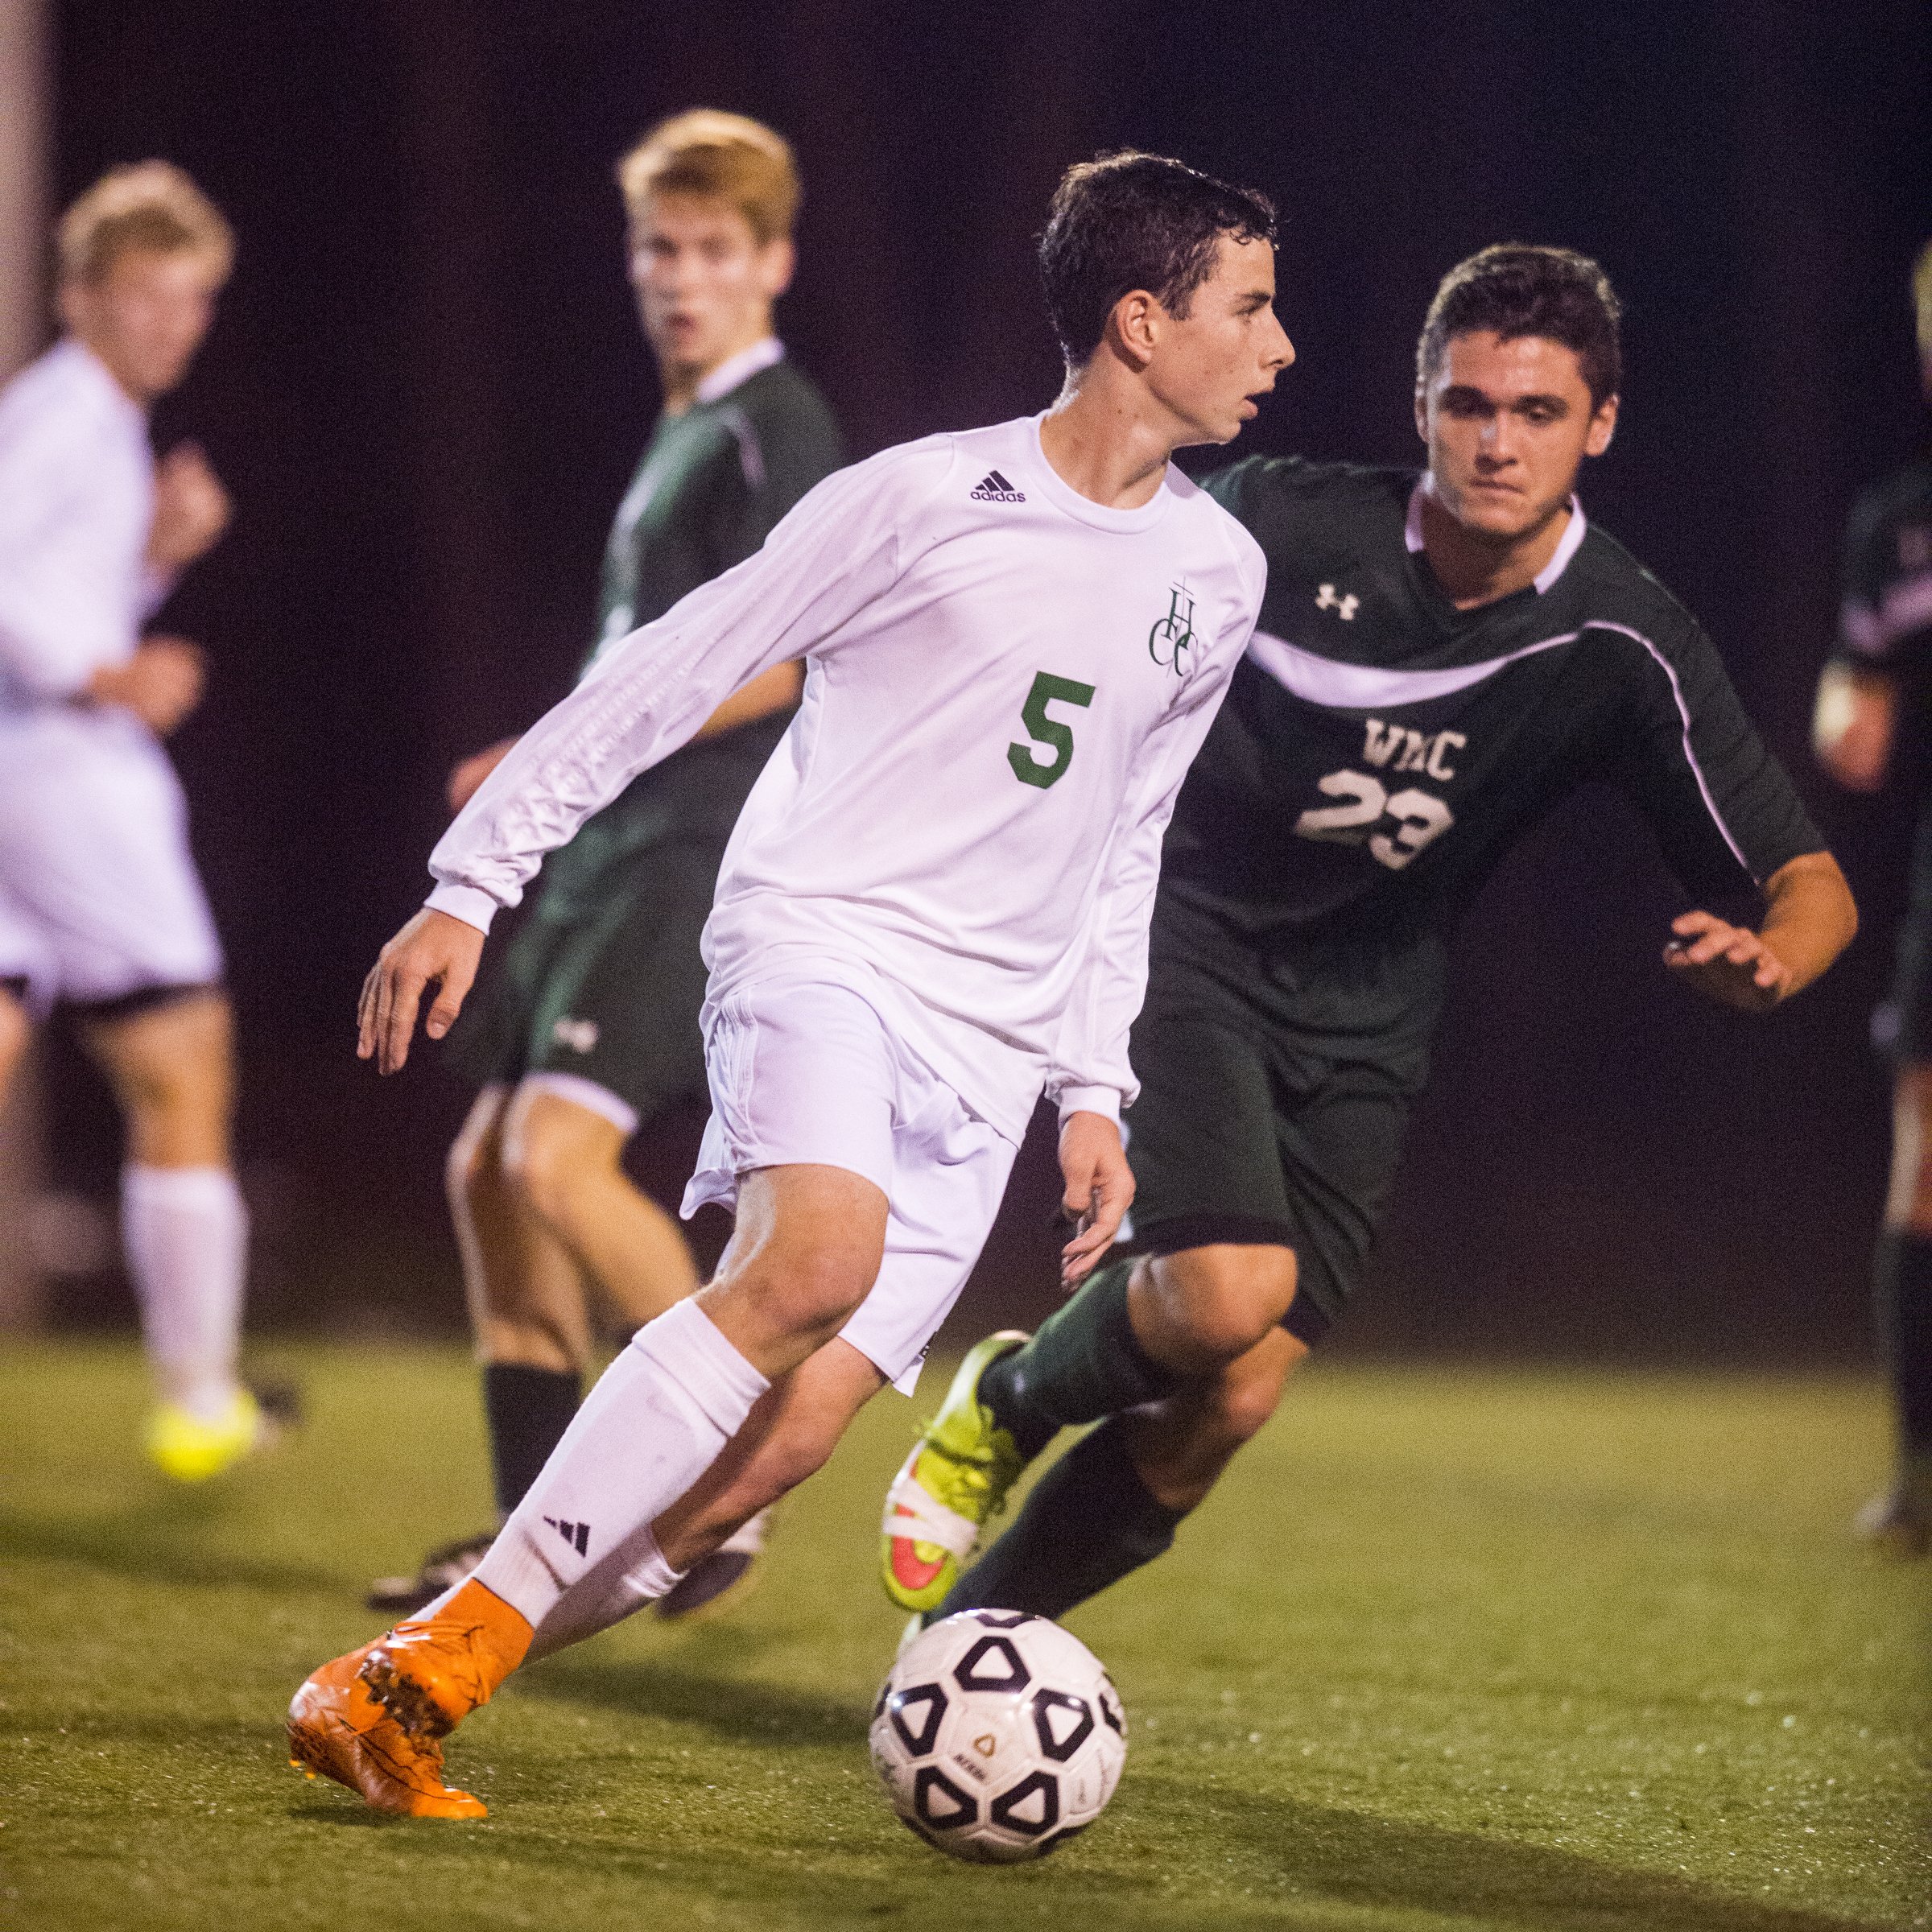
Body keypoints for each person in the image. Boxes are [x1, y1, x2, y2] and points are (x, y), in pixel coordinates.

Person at [287, 150, 1290, 1820]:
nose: (1278, 344)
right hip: (820, 938)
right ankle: (416, 1677)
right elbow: (666, 671)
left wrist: (1093, 1087)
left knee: (776, 1454)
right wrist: (474, 883)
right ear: (1142, 320)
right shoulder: (913, 498)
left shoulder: (1217, 574)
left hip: (991, 1048)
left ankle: (426, 1678)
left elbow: (1127, 841)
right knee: (809, 1257)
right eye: (1250, 306)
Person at [882, 243, 1858, 1629]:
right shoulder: (1279, 527)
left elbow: (1811, 884)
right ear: (1421, 408)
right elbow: (1077, 585)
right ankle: (1016, 1394)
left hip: (1368, 1019)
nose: (1498, 443)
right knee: (1226, 1294)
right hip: (1184, 944)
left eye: (1537, 414)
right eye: (1469, 405)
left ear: (1602, 425)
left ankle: (964, 1646)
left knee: (1235, 1398)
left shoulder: (1620, 640)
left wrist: (1775, 968)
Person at [365, 110, 844, 1622]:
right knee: (486, 1172)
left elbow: (784, 653)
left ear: (774, 262)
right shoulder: (685, 422)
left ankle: (738, 1472)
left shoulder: (781, 424)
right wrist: (545, 759)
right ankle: (526, 1529)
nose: (683, 278)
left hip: (691, 848)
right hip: (608, 842)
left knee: (553, 1163)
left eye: (715, 250)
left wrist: (597, 744)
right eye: (661, 248)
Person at [0, 162, 276, 1482]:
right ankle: (198, 1393)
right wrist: (101, 670)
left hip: (28, 764)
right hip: (58, 772)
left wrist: (158, 554)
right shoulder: (63, 413)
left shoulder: (98, 424)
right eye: (147, 297)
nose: (174, 324)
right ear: (82, 297)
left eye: (195, 300)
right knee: (183, 1055)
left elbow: (50, 579)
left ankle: (202, 1386)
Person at [1811, 239, 1932, 1558]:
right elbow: (1858, 706)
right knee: (1925, 1162)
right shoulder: (1897, 522)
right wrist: (1848, 709)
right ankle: (1920, 1477)